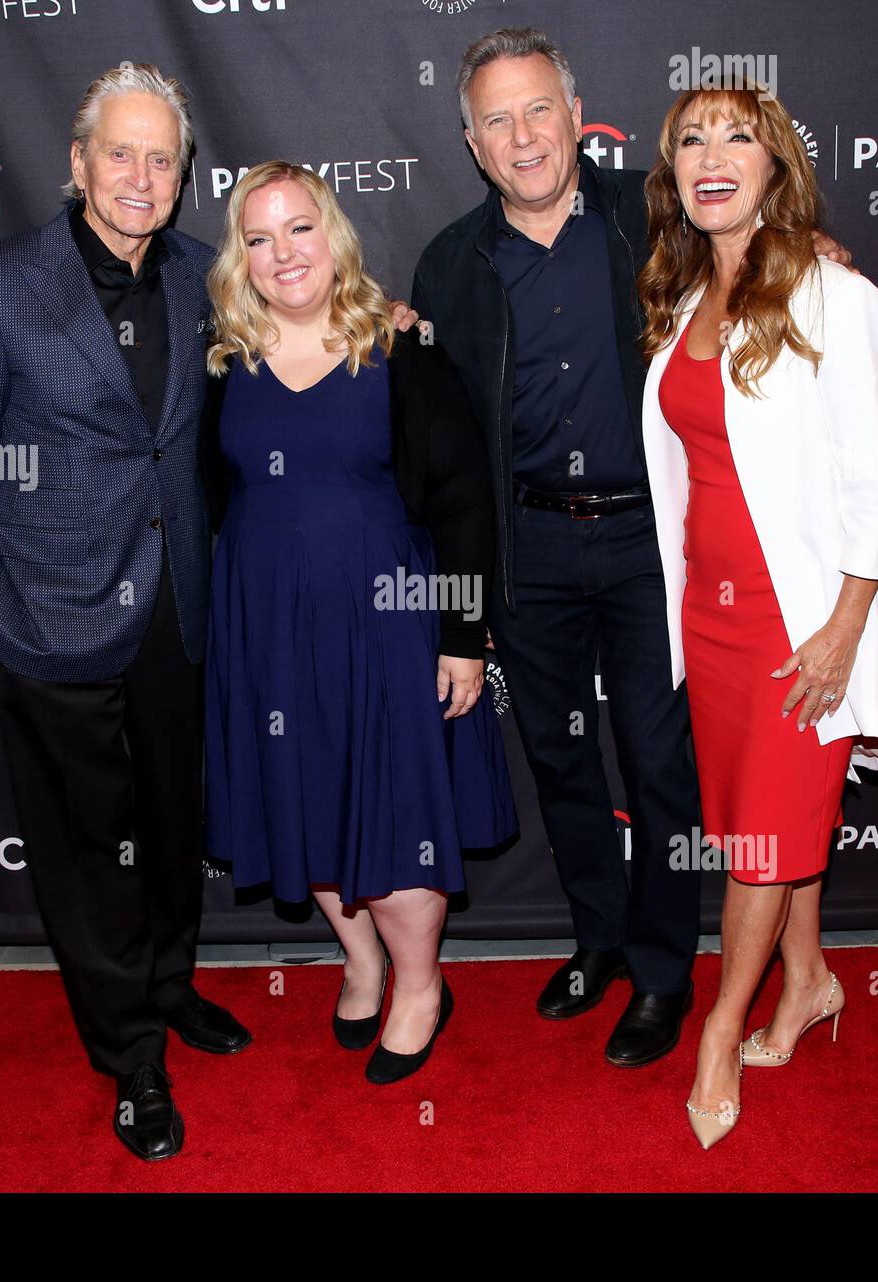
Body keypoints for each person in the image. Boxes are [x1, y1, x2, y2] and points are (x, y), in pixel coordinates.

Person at [410, 27, 852, 1068]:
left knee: (660, 766)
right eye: (496, 121)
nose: (522, 138)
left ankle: (663, 972)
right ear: (472, 144)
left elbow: (755, 234)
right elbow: (438, 445)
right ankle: (597, 939)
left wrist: (812, 258)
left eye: (537, 111)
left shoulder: (653, 216)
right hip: (526, 547)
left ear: (573, 115)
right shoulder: (447, 264)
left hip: (653, 543)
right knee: (559, 757)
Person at [0, 64, 254, 1163]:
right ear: (77, 163)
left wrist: (394, 316)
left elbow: (308, 320)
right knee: (86, 850)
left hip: (175, 610)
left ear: (182, 174)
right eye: (121, 153)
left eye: (162, 159)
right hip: (47, 618)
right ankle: (131, 1057)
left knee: (169, 827)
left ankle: (166, 988)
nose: (141, 177)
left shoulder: (209, 275)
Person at [636, 86, 878, 1148]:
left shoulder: (833, 295)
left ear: (775, 165)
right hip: (707, 621)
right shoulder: (679, 299)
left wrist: (845, 629)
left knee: (758, 839)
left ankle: (720, 1030)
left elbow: (875, 481)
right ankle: (805, 978)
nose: (714, 155)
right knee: (762, 825)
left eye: (738, 137)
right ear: (670, 172)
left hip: (800, 618)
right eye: (691, 141)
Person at [201, 161, 518, 1084]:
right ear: (240, 258)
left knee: (393, 807)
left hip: (385, 620)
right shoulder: (226, 360)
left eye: (298, 229)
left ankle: (420, 984)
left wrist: (462, 635)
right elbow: (214, 494)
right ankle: (363, 961)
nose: (281, 253)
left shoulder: (401, 348)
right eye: (258, 238)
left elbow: (464, 500)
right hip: (265, 626)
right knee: (305, 794)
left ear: (332, 235)